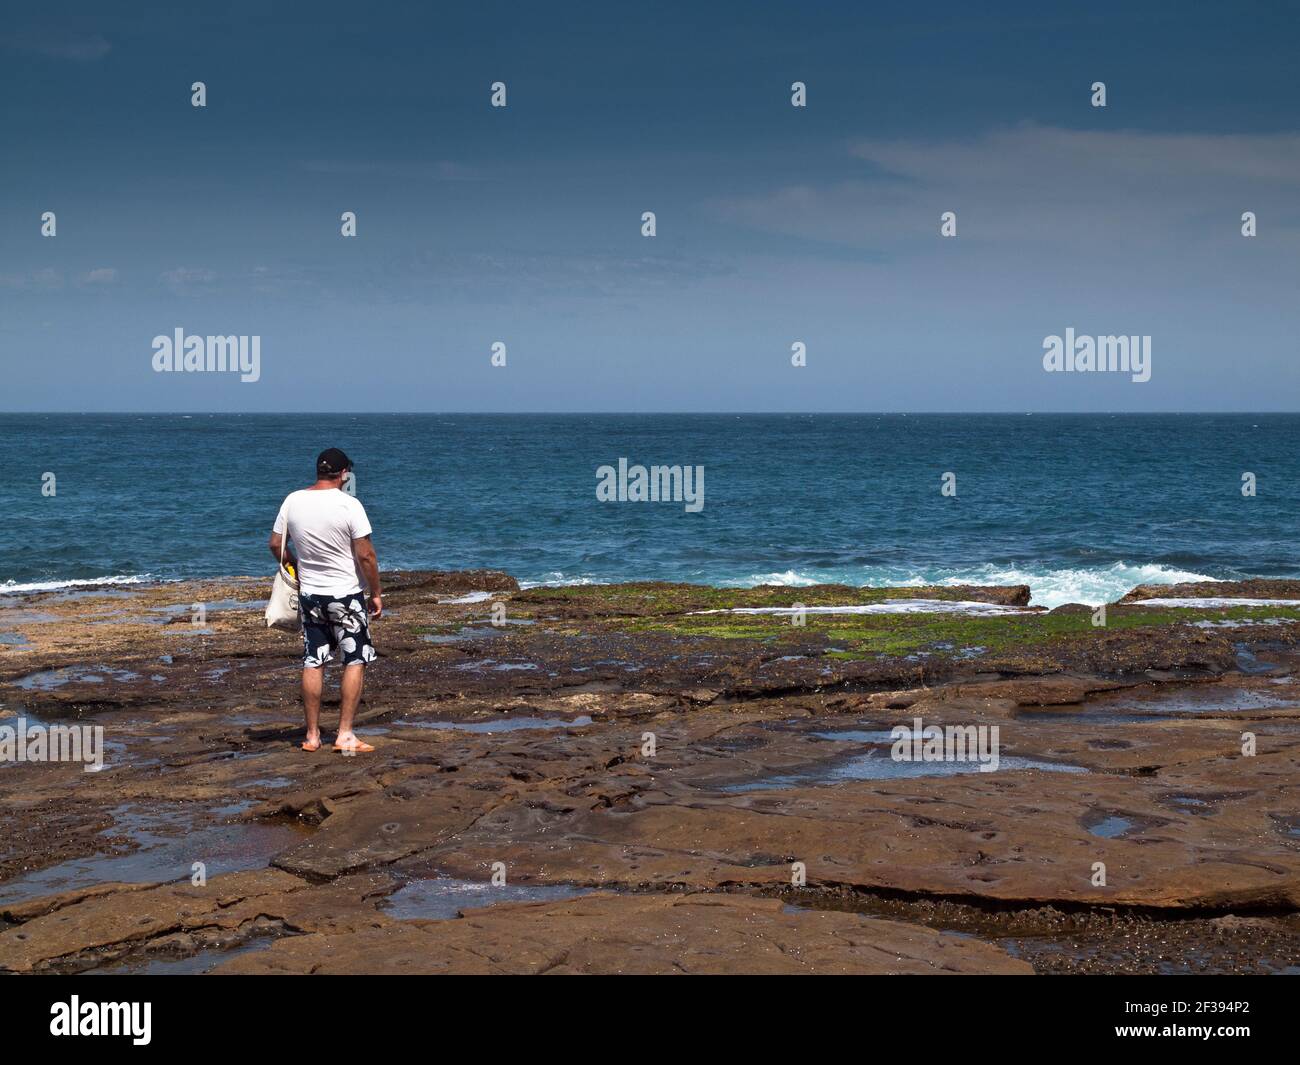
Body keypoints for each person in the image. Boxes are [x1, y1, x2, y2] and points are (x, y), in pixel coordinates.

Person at [268, 447, 382, 753]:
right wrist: (376, 593)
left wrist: (296, 567)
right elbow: (366, 555)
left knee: (313, 661)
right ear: (344, 474)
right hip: (346, 594)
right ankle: (344, 734)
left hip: (310, 595)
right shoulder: (349, 505)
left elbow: (276, 543)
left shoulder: (293, 500)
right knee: (355, 660)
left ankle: (313, 736)